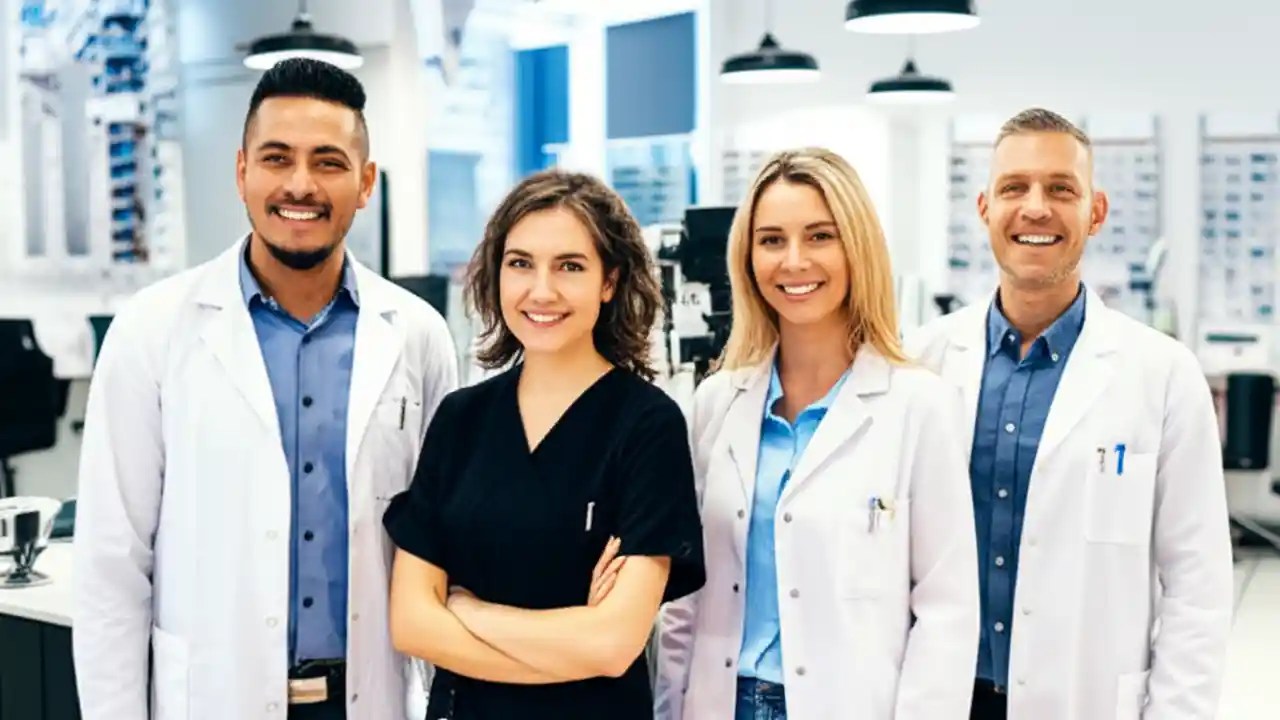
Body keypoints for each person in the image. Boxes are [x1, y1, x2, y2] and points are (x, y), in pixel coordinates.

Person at [72, 58, 458, 720]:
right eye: (277, 158)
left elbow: (440, 545)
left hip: (368, 697)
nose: (300, 184)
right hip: (211, 699)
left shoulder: (418, 335)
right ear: (242, 171)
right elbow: (112, 565)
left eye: (329, 162)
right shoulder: (151, 330)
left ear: (365, 183)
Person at [905, 108, 1235, 720]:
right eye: (1014, 188)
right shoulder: (920, 361)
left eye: (1061, 189)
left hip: (1085, 699)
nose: (1035, 208)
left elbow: (1198, 583)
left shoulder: (1163, 373)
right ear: (984, 209)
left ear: (1096, 211)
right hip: (941, 696)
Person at [653, 147, 980, 720]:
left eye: (820, 236)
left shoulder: (919, 406)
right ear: (747, 257)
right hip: (722, 702)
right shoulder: (717, 403)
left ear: (857, 248)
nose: (794, 260)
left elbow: (945, 612)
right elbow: (687, 600)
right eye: (771, 240)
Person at [381, 169, 707, 719]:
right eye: (520, 263)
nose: (541, 291)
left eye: (570, 267)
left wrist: (468, 611)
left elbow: (613, 646)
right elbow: (412, 624)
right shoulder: (461, 420)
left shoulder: (647, 425)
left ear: (610, 282)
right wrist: (575, 636)